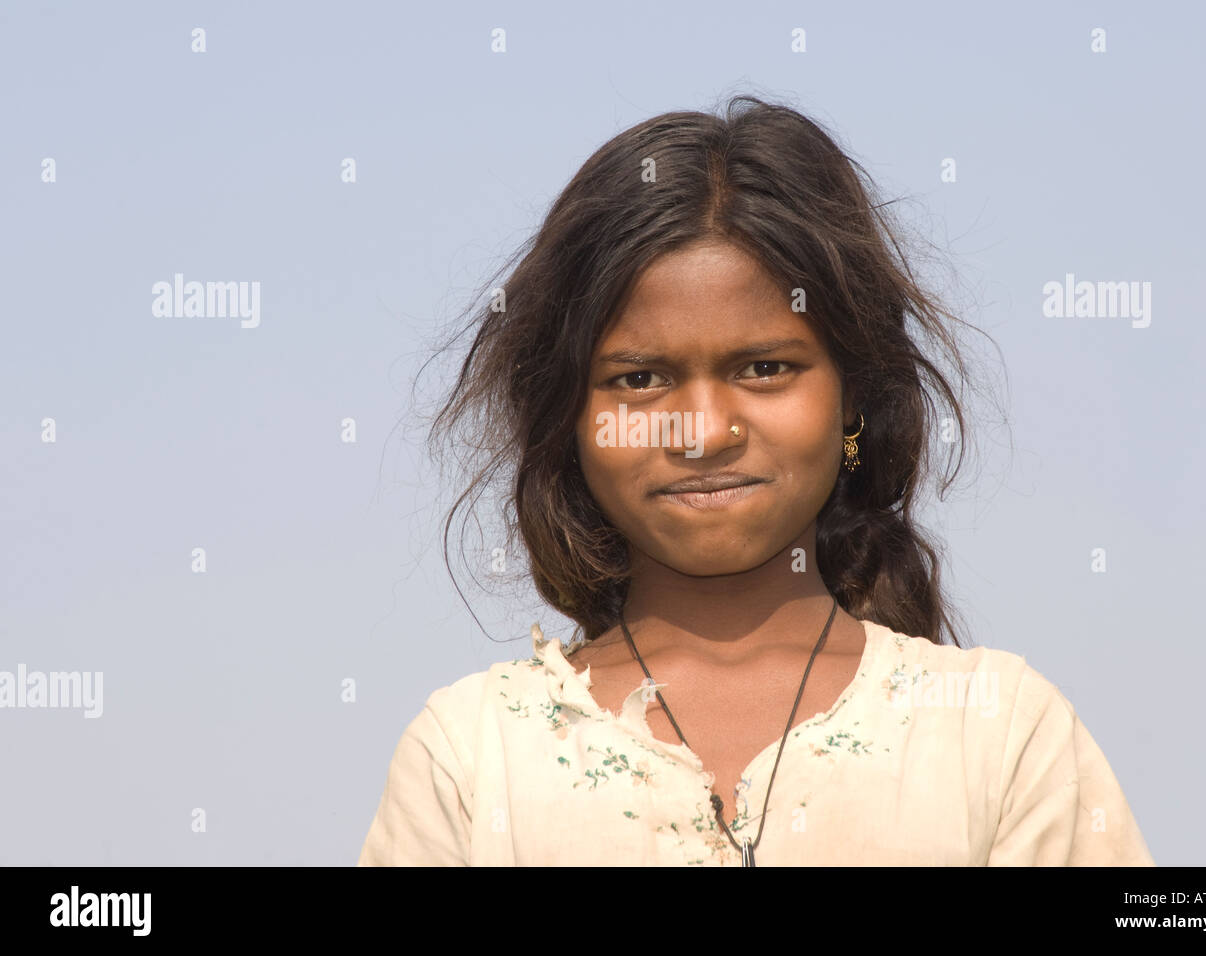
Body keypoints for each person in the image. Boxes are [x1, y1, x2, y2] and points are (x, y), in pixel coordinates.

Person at [357, 95, 1154, 866]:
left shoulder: (998, 734)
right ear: (569, 422)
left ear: (854, 402)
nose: (703, 433)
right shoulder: (475, 757)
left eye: (766, 369)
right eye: (638, 380)